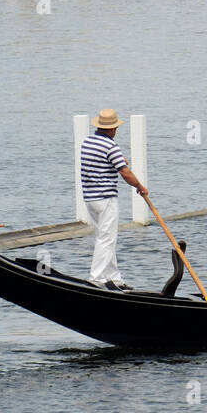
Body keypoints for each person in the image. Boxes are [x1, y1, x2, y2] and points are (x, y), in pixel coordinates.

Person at [79, 108, 148, 289]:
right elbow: (125, 173)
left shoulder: (88, 142)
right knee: (107, 238)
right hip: (105, 198)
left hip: (90, 198)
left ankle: (114, 278)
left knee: (105, 236)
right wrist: (140, 187)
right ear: (111, 129)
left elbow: (100, 162)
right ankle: (96, 278)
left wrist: (118, 159)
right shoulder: (110, 146)